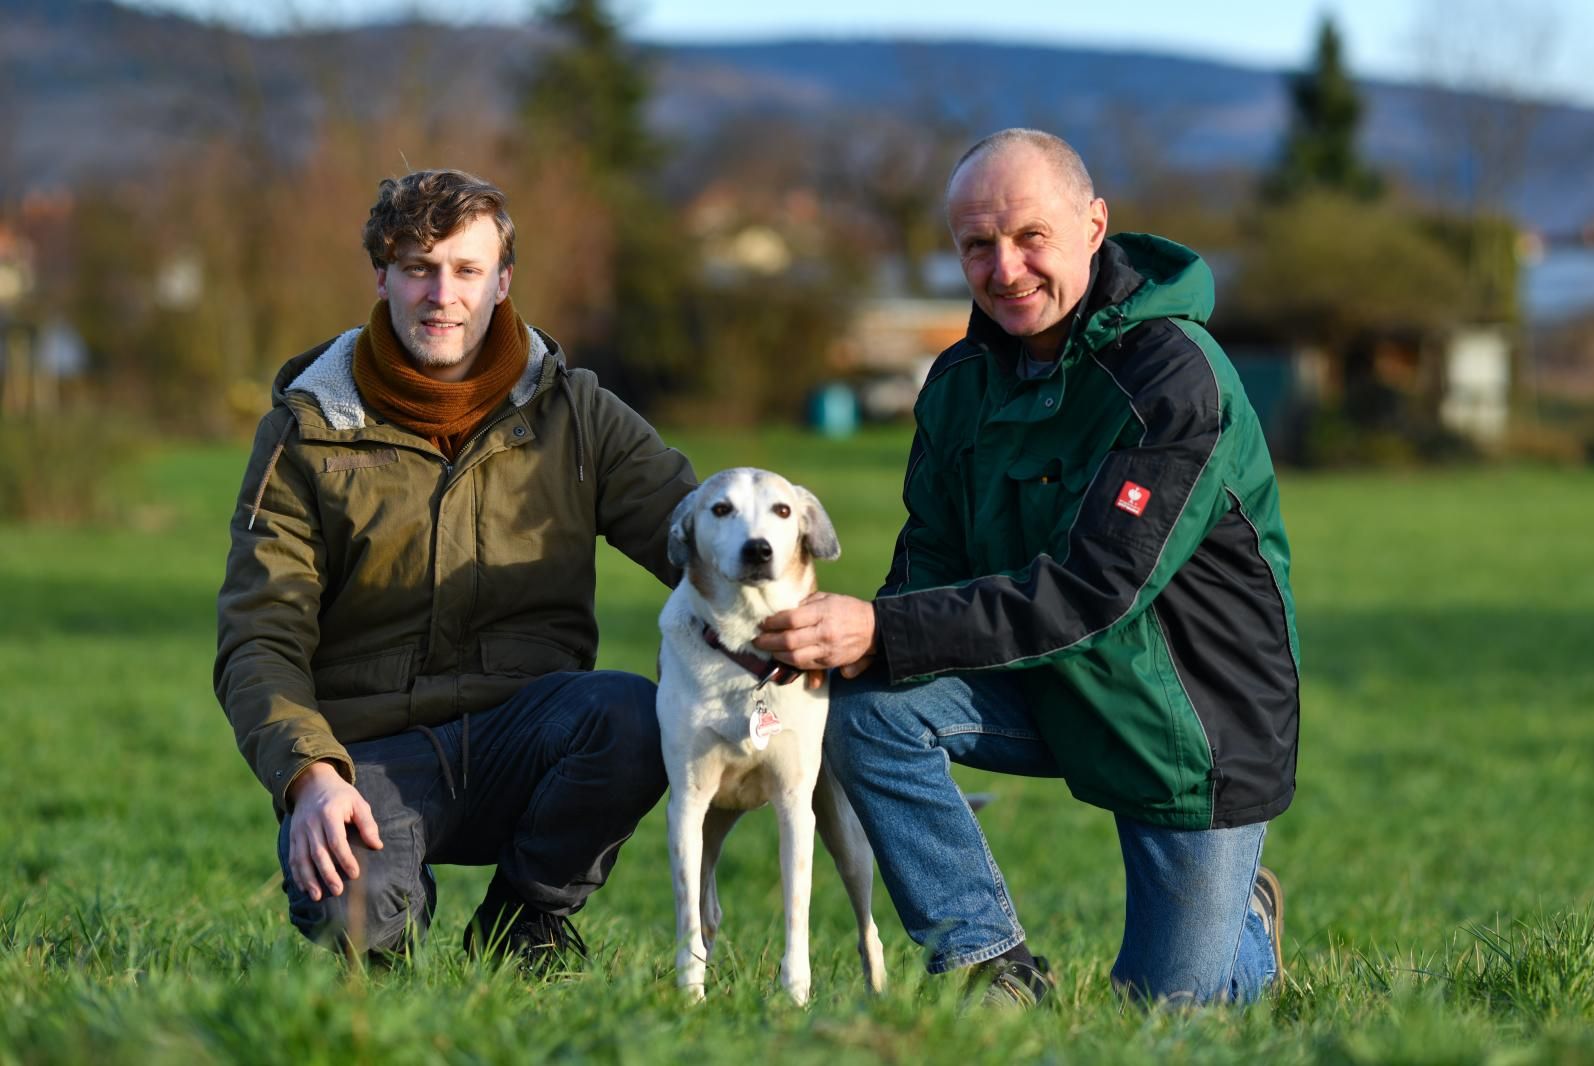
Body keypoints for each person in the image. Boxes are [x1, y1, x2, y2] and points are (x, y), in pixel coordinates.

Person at [755, 129, 1299, 1007]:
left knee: (1157, 1021)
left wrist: (886, 628)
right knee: (871, 709)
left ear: (1094, 225)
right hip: (1042, 679)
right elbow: (931, 552)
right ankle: (989, 967)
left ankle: (1242, 926)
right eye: (977, 245)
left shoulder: (1175, 379)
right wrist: (850, 646)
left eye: (1029, 237)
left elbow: (1096, 590)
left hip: (1191, 721)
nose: (1004, 269)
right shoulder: (960, 381)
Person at [215, 169, 697, 971]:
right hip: (372, 757)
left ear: (502, 281)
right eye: (418, 268)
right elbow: (257, 636)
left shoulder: (578, 415)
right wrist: (308, 778)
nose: (443, 294)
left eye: (467, 270)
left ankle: (525, 924)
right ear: (382, 275)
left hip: (530, 733)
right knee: (357, 929)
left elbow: (698, 544)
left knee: (632, 715)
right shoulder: (305, 433)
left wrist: (799, 618)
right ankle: (390, 906)